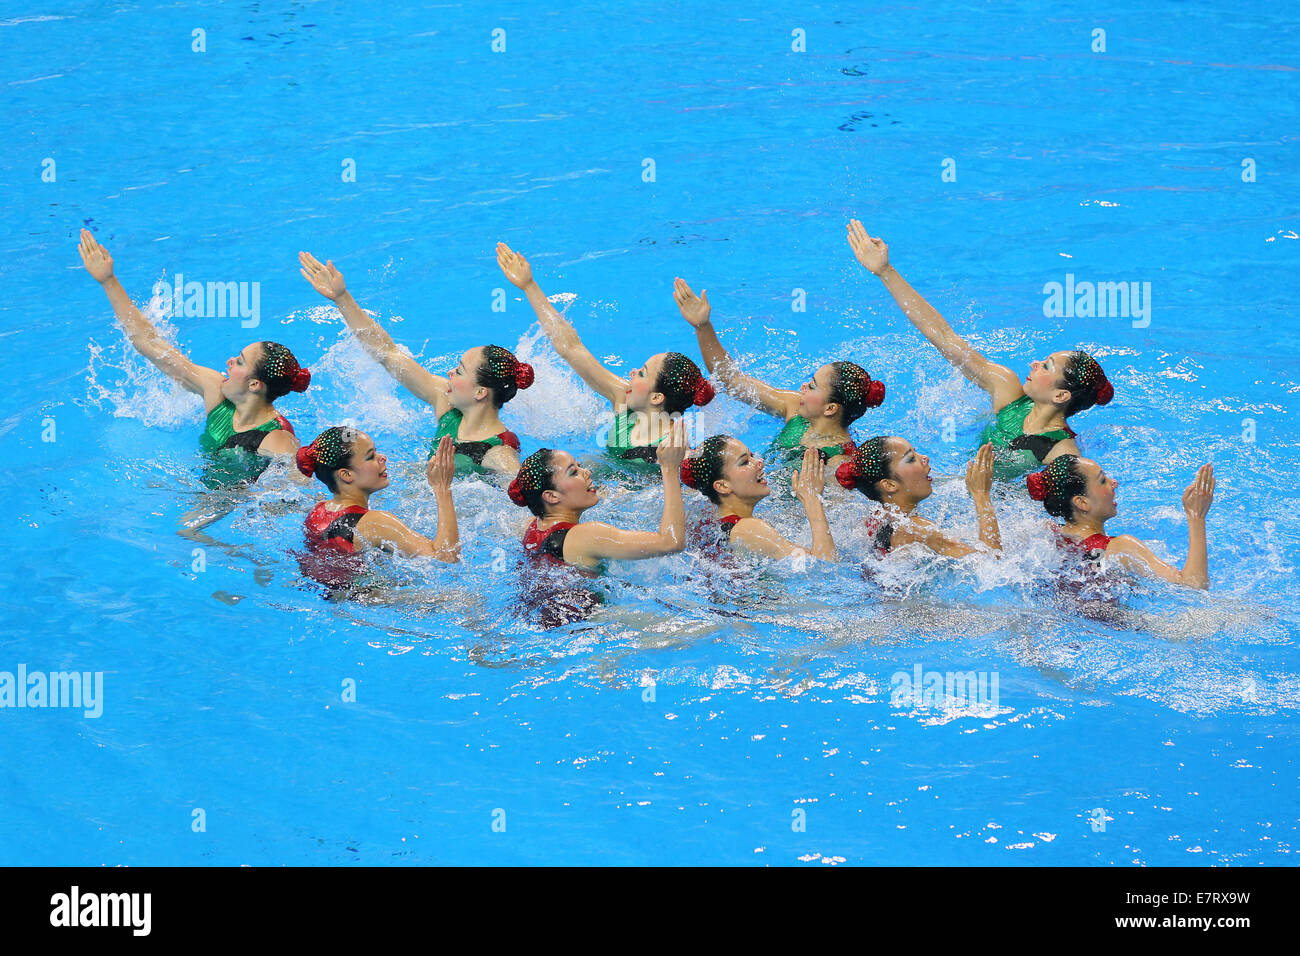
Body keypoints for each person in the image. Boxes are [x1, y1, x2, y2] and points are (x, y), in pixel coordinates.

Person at [847, 219, 1113, 480]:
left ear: (1061, 395)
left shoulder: (1061, 452)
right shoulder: (1007, 390)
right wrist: (885, 271)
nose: (1034, 363)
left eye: (1046, 366)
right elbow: (941, 335)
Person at [79, 230, 309, 486]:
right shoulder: (215, 389)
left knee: (186, 527)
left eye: (240, 361)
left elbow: (300, 486)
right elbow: (150, 345)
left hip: (235, 499)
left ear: (255, 384)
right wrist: (108, 280)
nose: (229, 362)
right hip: (206, 486)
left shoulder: (278, 438)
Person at [299, 252, 531, 476]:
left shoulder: (500, 450)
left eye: (459, 371)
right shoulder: (447, 404)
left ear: (480, 392)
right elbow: (387, 353)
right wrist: (342, 297)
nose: (450, 372)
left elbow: (528, 497)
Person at [496, 243, 714, 467]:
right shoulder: (624, 401)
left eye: (641, 374)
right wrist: (529, 286)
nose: (631, 372)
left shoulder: (676, 451)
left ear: (656, 398)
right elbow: (571, 348)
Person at [673, 278, 883, 471]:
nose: (803, 386)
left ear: (830, 408)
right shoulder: (795, 409)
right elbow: (731, 381)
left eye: (812, 385)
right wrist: (703, 326)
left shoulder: (840, 461)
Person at [508, 421, 690, 569]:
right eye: (574, 472)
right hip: (585, 614)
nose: (586, 472)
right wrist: (670, 469)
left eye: (579, 466)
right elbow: (671, 543)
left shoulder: (531, 527)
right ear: (552, 496)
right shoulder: (587, 536)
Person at [297, 431, 460, 589]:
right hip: (366, 599)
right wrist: (442, 488)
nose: (383, 457)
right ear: (346, 475)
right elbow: (446, 558)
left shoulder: (318, 509)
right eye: (370, 456)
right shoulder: (375, 523)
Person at [1027, 456, 1213, 589]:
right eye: (1102, 480)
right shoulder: (1120, 548)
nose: (1114, 482)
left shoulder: (1045, 534)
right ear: (1082, 502)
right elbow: (1192, 587)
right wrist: (1196, 517)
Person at [680, 437, 837, 562]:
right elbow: (826, 568)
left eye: (752, 456)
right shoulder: (750, 529)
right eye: (744, 462)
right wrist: (812, 500)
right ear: (722, 486)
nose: (759, 462)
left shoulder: (703, 518)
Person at [836, 439, 1002, 557]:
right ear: (889, 485)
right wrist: (981, 494)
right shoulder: (916, 529)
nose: (925, 457)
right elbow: (990, 562)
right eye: (910, 459)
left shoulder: (872, 521)